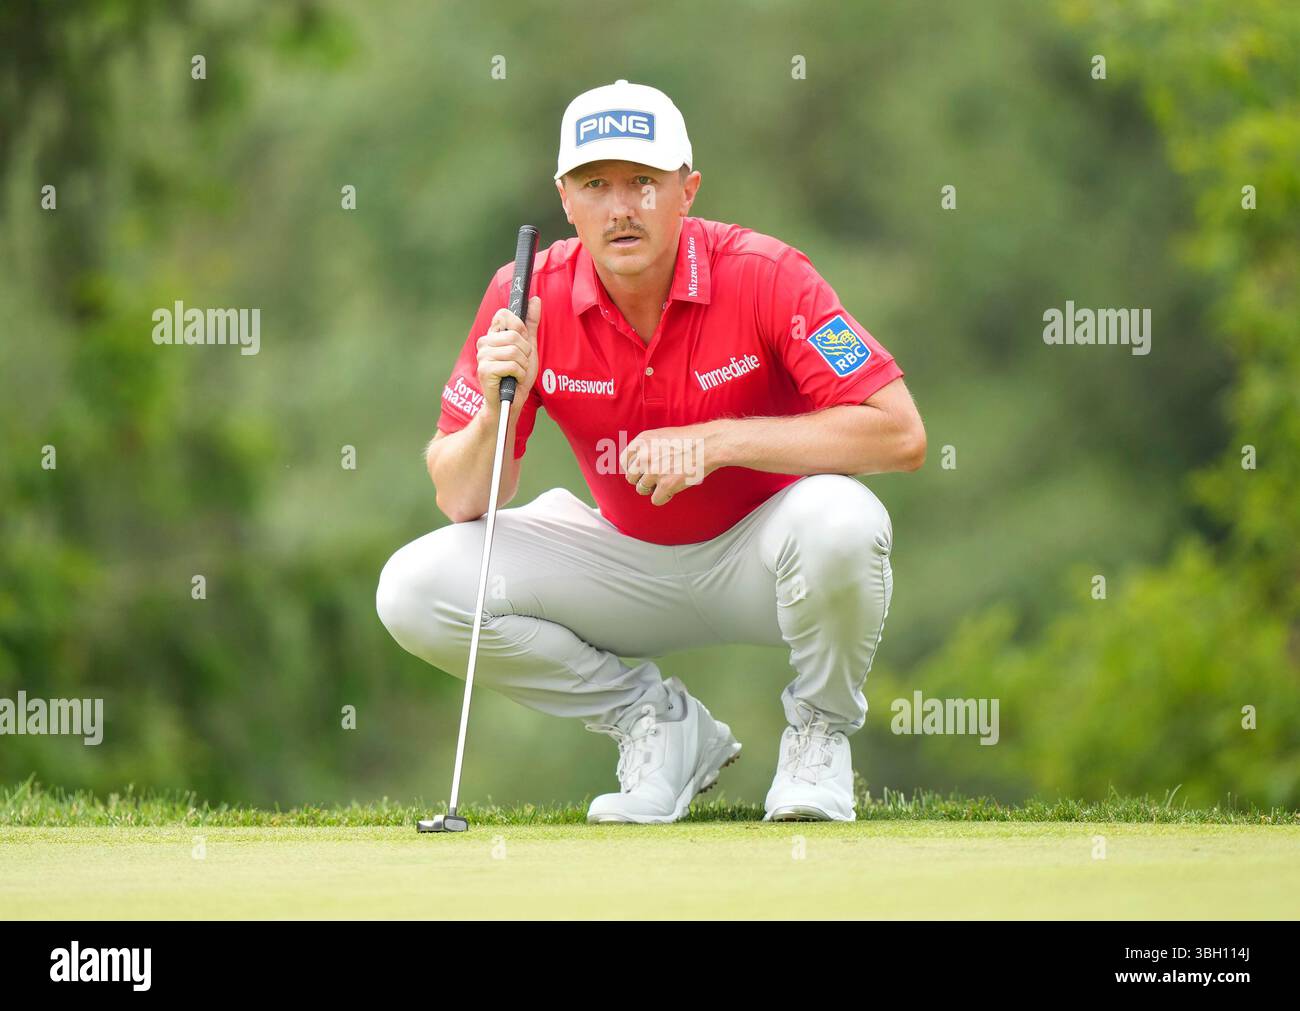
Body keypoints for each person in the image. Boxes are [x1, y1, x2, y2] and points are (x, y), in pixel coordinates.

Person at [377, 80, 926, 823]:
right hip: (622, 564)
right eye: (596, 184)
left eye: (644, 183)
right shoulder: (522, 295)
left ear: (686, 191)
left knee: (845, 520)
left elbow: (900, 433)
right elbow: (462, 498)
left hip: (764, 562)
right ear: (565, 198)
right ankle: (657, 723)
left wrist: (719, 441)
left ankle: (819, 736)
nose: (621, 207)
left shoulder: (767, 276)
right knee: (412, 587)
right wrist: (497, 402)